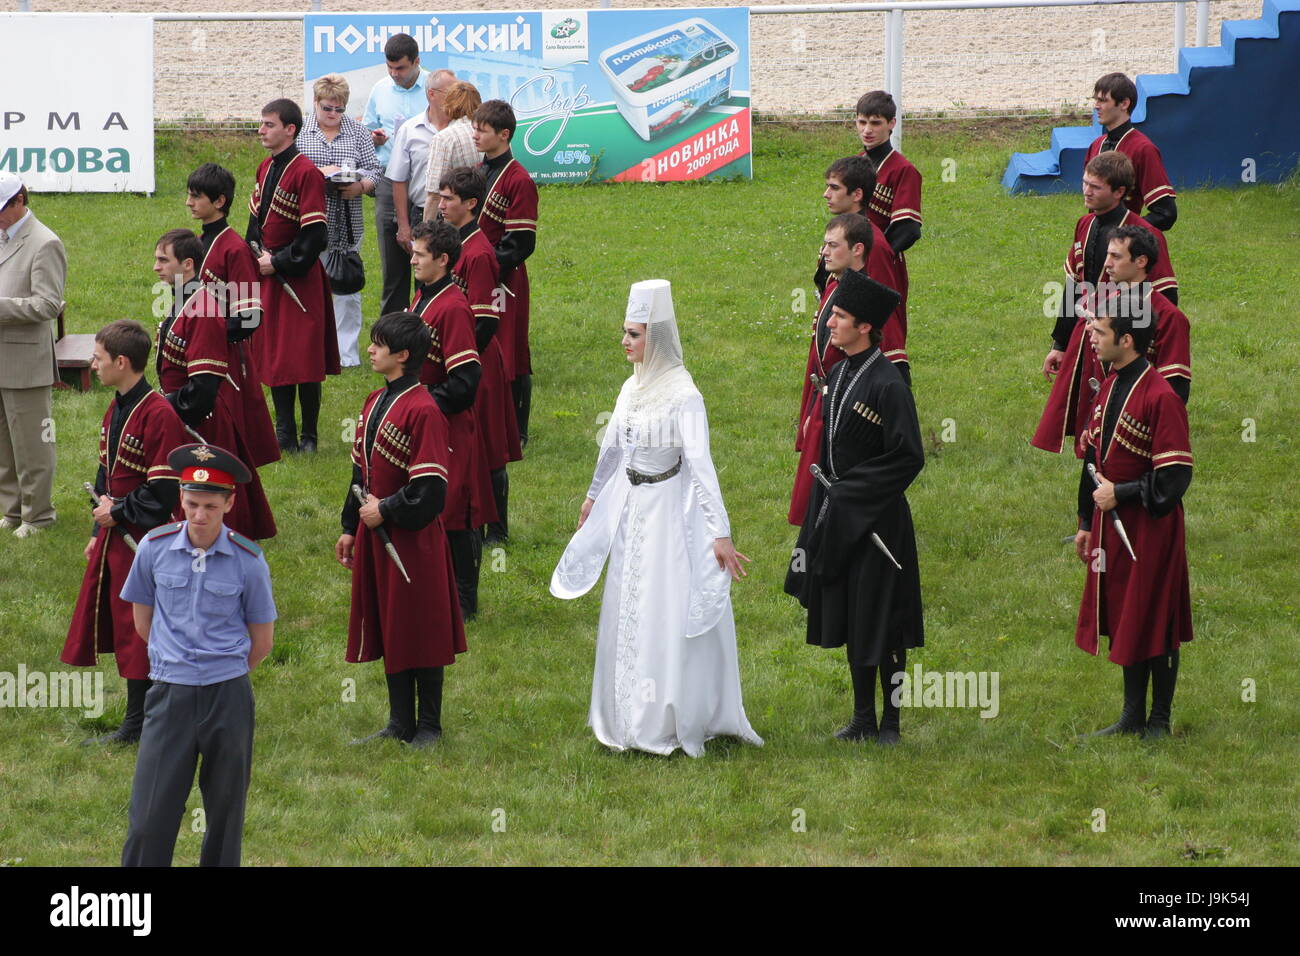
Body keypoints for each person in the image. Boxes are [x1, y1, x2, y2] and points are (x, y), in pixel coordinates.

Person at [550, 279, 763, 758]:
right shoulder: (632, 385)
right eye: (624, 332)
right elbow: (613, 447)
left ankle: (661, 714)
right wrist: (592, 496)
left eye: (634, 334)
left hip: (668, 512)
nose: (625, 342)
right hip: (631, 508)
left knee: (659, 605)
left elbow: (702, 467)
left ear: (658, 337)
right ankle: (622, 709)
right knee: (627, 602)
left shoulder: (683, 395)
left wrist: (720, 533)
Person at [785, 269, 924, 746]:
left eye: (840, 317)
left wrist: (855, 492)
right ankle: (863, 717)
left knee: (884, 620)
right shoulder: (840, 372)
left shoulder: (888, 384)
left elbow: (908, 456)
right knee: (852, 612)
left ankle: (892, 723)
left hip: (879, 519)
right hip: (840, 515)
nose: (831, 325)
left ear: (865, 326)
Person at [120, 443, 277, 867]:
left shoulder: (249, 561)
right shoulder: (153, 548)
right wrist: (178, 664)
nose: (200, 516)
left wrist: (219, 669)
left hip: (227, 695)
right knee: (150, 812)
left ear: (230, 502)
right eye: (191, 504)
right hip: (171, 693)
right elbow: (143, 622)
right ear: (181, 501)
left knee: (225, 813)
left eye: (211, 505)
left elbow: (262, 642)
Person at [337, 312, 466, 748]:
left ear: (403, 355)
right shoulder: (374, 401)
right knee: (391, 625)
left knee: (421, 628)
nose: (370, 349)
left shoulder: (425, 409)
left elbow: (431, 489)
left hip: (414, 541)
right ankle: (399, 723)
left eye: (378, 344)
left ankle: (429, 725)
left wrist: (387, 510)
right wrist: (351, 526)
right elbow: (360, 473)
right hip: (376, 535)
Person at [61, 320, 187, 745]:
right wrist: (98, 529)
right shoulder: (116, 405)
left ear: (122, 361)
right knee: (123, 626)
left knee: (140, 630)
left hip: (147, 542)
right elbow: (106, 472)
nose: (92, 365)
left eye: (98, 359)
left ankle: (141, 725)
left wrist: (120, 511)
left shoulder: (160, 414)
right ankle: (141, 720)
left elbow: (165, 490)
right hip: (117, 535)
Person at [1074, 303, 1191, 738]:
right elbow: (1093, 459)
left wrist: (1120, 493)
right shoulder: (1109, 386)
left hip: (1152, 527)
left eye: (1101, 331)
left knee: (1155, 616)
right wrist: (1087, 519)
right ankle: (1131, 717)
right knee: (1127, 614)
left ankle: (1158, 719)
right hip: (1111, 524)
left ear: (1127, 340)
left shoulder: (1161, 397)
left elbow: (1175, 477)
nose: (1093, 336)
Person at [1032, 151, 1177, 455]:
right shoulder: (1084, 224)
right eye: (1085, 183)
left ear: (1120, 192)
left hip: (1122, 344)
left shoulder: (1144, 235)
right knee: (1088, 426)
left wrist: (1140, 349)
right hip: (1088, 338)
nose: (1086, 191)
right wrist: (1059, 344)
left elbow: (1165, 300)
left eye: (1095, 187)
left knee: (1117, 425)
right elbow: (1074, 287)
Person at [154, 229, 276, 540]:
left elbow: (205, 386)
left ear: (187, 265)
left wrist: (168, 410)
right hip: (188, 413)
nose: (156, 267)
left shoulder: (203, 306)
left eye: (162, 260)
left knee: (207, 498)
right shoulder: (185, 298)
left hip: (201, 421)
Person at [791, 212, 904, 524]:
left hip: (847, 406)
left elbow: (887, 355)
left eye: (832, 245)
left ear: (857, 250)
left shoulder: (865, 300)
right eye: (824, 244)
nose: (824, 251)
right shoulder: (833, 286)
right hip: (825, 397)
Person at [408, 219, 496, 618]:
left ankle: (465, 603)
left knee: (457, 512)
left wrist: (424, 403)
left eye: (420, 255)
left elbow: (465, 381)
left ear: (443, 260)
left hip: (451, 426)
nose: (413, 260)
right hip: (430, 421)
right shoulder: (425, 295)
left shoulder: (454, 307)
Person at [247, 97, 341, 453]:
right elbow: (255, 224)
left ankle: (310, 437)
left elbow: (315, 234)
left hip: (299, 277)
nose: (261, 130)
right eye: (261, 123)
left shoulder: (307, 173)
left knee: (304, 358)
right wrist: (255, 257)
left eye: (268, 124)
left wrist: (281, 262)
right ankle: (284, 433)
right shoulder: (264, 168)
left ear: (290, 129)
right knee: (277, 359)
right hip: (269, 276)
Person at [437, 165, 519, 544]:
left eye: (448, 198)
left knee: (489, 448)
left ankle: (497, 530)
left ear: (470, 204)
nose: (440, 204)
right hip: (462, 357)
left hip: (478, 362)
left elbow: (486, 321)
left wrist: (459, 356)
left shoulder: (480, 253)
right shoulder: (455, 244)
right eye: (440, 196)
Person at [185, 162, 280, 471]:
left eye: (197, 196)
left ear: (220, 202)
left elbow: (251, 317)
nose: (189, 202)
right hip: (195, 356)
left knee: (227, 448)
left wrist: (210, 333)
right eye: (189, 195)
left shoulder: (235, 250)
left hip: (225, 364)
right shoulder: (196, 245)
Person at [298, 75, 381, 369]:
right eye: (327, 108)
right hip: (308, 221)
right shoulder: (300, 134)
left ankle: (346, 354)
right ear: (315, 103)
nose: (333, 115)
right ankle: (311, 350)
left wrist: (360, 186)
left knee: (346, 288)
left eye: (339, 109)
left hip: (347, 222)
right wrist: (320, 173)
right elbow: (291, 172)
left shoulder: (358, 133)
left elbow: (374, 169)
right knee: (307, 284)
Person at [0, 172, 66, 538]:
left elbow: (48, 304)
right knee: (4, 445)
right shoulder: (3, 236)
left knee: (32, 446)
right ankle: (12, 510)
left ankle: (38, 515)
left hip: (26, 363)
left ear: (19, 201)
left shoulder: (44, 243)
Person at [473, 99, 539, 446]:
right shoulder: (480, 171)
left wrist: (484, 267)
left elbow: (521, 243)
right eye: (475, 129)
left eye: (482, 131)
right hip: (476, 276)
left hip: (505, 280)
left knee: (511, 350)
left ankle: (519, 430)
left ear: (504, 134)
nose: (475, 136)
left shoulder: (519, 180)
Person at [814, 157, 910, 379]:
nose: (826, 194)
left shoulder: (872, 246)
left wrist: (894, 371)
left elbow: (885, 312)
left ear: (856, 195)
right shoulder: (842, 233)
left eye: (834, 187)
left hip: (850, 362)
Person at [363, 33, 431, 318]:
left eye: (400, 68)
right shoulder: (381, 89)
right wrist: (373, 138)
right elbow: (366, 129)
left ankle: (428, 323)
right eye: (389, 67)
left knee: (428, 258)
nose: (394, 74)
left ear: (416, 62)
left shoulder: (435, 87)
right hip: (390, 181)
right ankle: (391, 332)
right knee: (393, 263)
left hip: (428, 182)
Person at [854, 91, 922, 315]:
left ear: (891, 123)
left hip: (881, 266)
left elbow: (908, 229)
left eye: (875, 123)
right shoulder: (857, 162)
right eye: (862, 122)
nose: (867, 130)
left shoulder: (904, 170)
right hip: (851, 257)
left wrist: (873, 261)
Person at [1085, 73, 1177, 230]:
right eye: (1096, 100)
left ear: (1124, 103)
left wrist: (1125, 233)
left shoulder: (1143, 149)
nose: (1096, 106)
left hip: (1123, 250)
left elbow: (1166, 213)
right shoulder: (1096, 145)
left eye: (1103, 100)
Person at [389, 68, 456, 246]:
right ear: (432, 94)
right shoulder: (409, 130)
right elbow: (399, 180)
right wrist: (403, 226)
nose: (457, 98)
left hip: (458, 215)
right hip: (422, 212)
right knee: (425, 272)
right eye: (451, 93)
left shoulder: (463, 128)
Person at [422, 81, 484, 224]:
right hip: (486, 215)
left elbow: (434, 194)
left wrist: (425, 234)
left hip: (456, 220)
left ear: (448, 105)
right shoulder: (491, 133)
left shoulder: (444, 138)